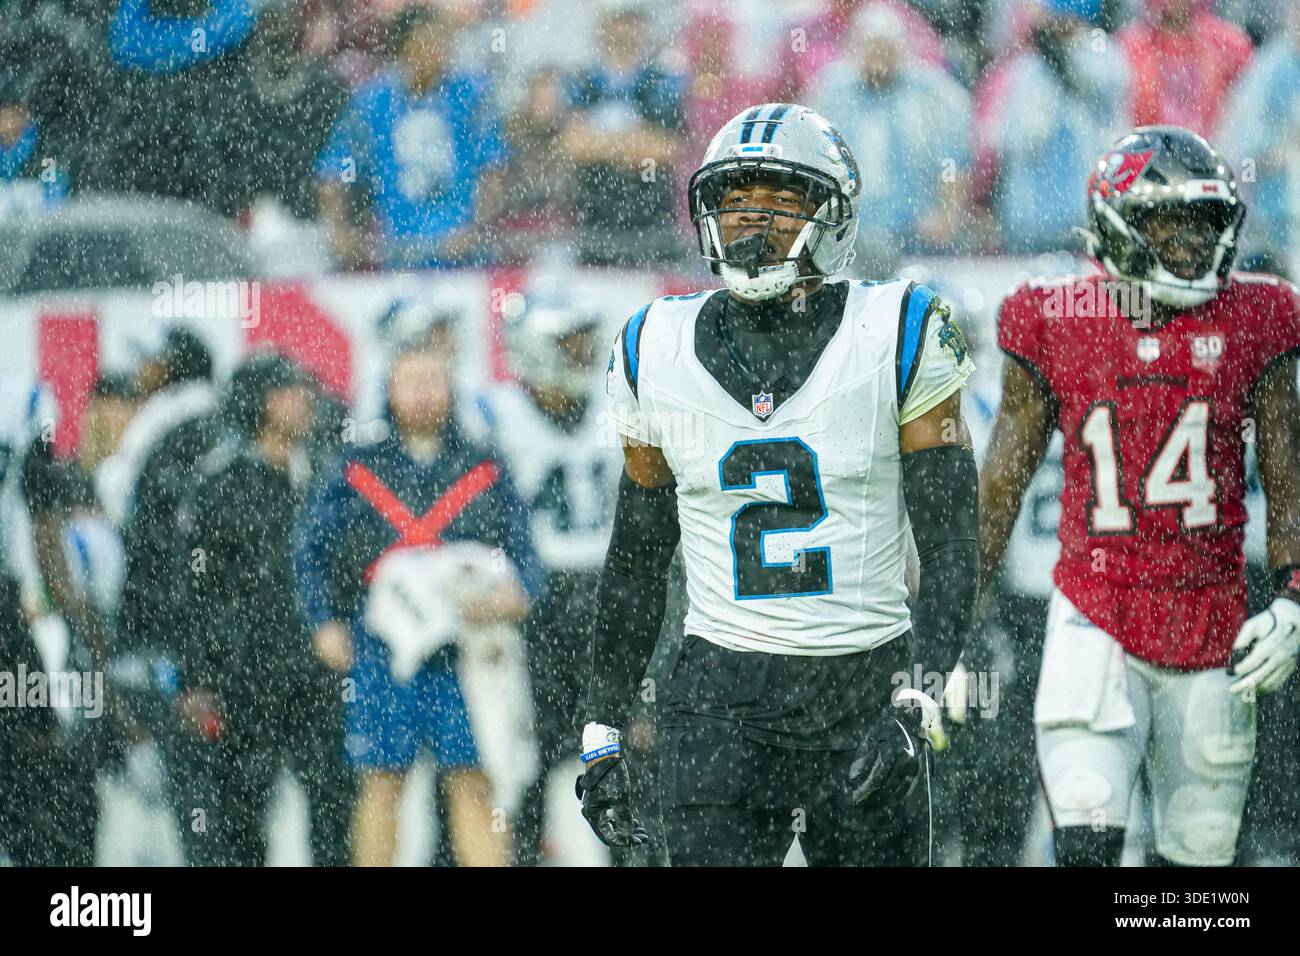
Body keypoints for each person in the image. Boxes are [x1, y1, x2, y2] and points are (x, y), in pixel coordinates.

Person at [576, 103, 980, 866]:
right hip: (719, 698)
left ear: (831, 214)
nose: (748, 220)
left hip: (865, 681)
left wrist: (917, 700)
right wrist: (601, 725)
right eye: (732, 200)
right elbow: (635, 556)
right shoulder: (649, 347)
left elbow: (953, 543)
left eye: (777, 199)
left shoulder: (898, 328)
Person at [980, 126, 1300, 866]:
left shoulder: (1261, 315)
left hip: (1215, 614)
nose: (1190, 243)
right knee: (1086, 839)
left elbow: (1288, 475)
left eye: (1205, 223)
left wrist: (1292, 595)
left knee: (1201, 864)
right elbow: (1001, 485)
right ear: (1119, 226)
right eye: (1168, 223)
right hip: (1096, 613)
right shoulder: (1055, 317)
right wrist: (953, 624)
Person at [296, 338, 540, 867]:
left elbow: (522, 552)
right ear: (389, 389)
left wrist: (513, 593)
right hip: (383, 646)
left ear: (452, 388)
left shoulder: (485, 464)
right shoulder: (355, 466)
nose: (423, 395)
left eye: (434, 381)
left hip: (468, 650)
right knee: (382, 783)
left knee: (475, 782)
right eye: (411, 382)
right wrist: (324, 623)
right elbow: (310, 549)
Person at [168, 353, 356, 866]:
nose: (304, 400)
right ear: (258, 403)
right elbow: (195, 593)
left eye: (303, 388)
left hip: (319, 673)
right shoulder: (220, 486)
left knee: (336, 812)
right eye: (288, 391)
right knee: (241, 818)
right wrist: (197, 680)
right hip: (246, 676)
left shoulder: (326, 477)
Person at [478, 296, 620, 865]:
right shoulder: (494, 414)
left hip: (607, 593)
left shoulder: (615, 407)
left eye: (584, 340)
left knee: (615, 749)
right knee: (523, 757)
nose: (582, 354)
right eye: (568, 341)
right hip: (532, 599)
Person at [315, 4, 506, 270]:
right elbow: (341, 166)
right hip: (397, 255)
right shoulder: (376, 103)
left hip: (465, 258)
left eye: (443, 40)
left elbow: (493, 169)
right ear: (404, 49)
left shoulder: (469, 96)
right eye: (428, 42)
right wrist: (340, 230)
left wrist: (477, 227)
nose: (439, 51)